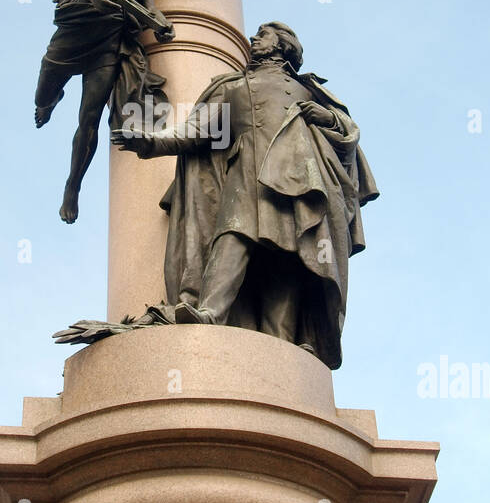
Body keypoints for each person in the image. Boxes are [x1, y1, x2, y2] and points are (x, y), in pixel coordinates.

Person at [113, 21, 378, 368]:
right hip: (246, 175)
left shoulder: (309, 90)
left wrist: (325, 116)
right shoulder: (234, 87)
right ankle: (210, 311)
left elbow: (347, 135)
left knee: (291, 258)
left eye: (263, 35)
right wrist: (152, 142)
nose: (254, 39)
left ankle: (282, 342)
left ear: (283, 46)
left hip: (301, 181)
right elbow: (197, 130)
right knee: (232, 235)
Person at [35, 0, 175, 222]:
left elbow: (151, 9)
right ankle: (50, 99)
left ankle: (73, 187)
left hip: (109, 45)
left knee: (90, 118)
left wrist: (162, 24)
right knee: (42, 92)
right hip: (80, 29)